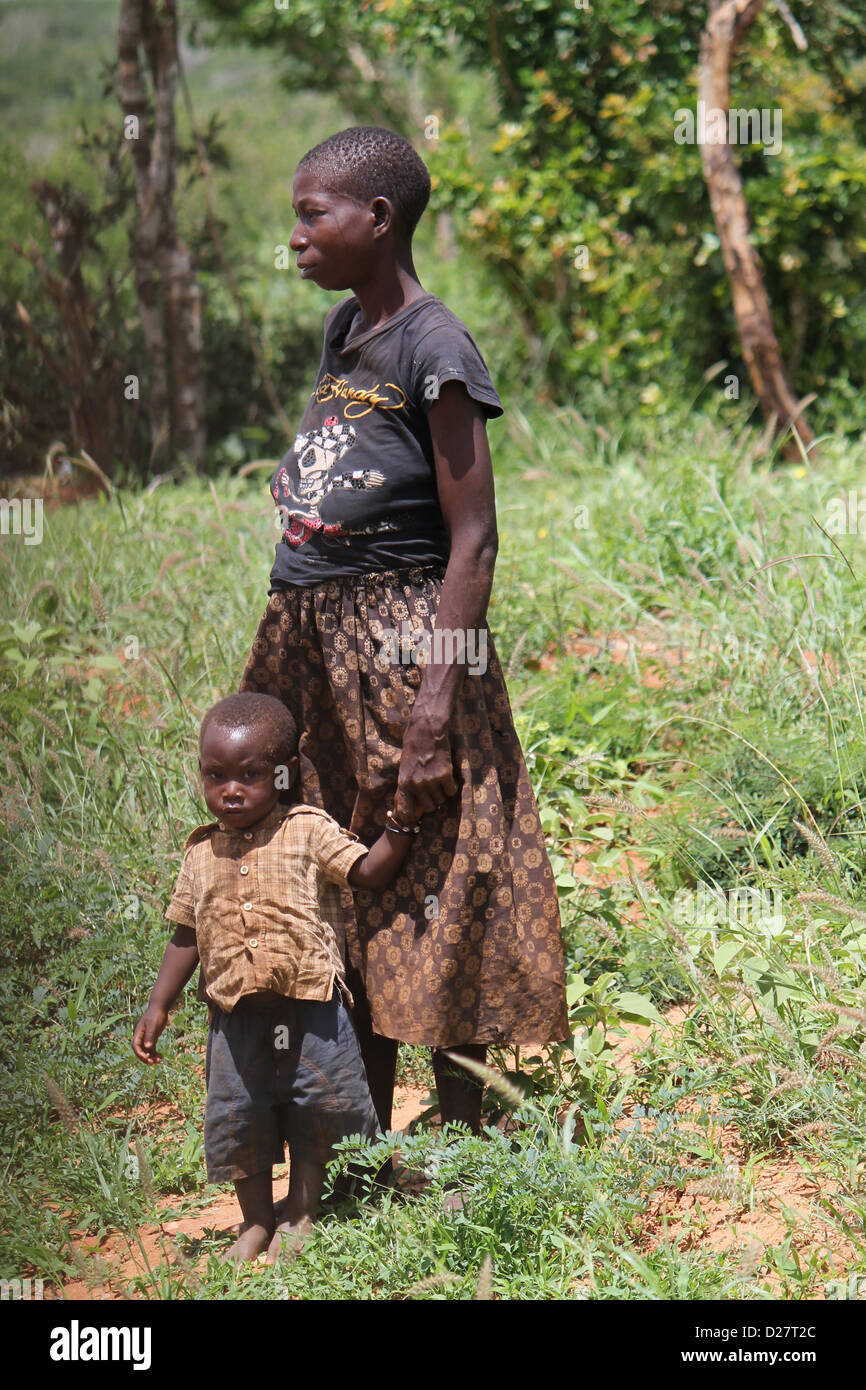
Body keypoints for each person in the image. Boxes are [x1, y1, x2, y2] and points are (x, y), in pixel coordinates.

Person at [240, 126, 569, 1151]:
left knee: (434, 866)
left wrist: (434, 706)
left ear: (377, 220)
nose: (295, 236)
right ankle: (360, 1126)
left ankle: (460, 1134)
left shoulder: (438, 346)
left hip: (402, 646)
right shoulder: (345, 330)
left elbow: (473, 538)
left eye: (312, 214)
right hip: (312, 640)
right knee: (333, 864)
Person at [132, 691, 421, 1263]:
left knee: (316, 1110)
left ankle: (301, 1211)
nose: (230, 790)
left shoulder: (307, 831)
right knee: (242, 1118)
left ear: (283, 774)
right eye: (216, 775)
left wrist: (402, 824)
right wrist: (159, 1004)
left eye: (250, 775)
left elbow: (364, 872)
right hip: (235, 1022)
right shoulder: (199, 853)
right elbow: (186, 933)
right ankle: (254, 1222)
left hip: (311, 1009)